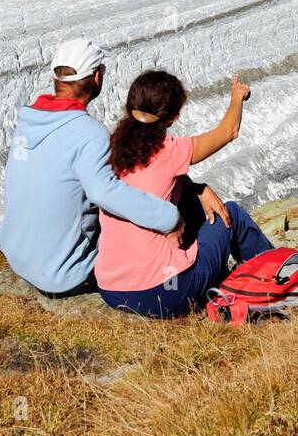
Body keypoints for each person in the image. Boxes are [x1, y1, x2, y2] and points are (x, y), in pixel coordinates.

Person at [0, 37, 182, 297]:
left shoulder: (28, 122)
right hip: (65, 274)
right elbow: (104, 192)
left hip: (17, 255)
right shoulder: (89, 134)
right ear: (97, 78)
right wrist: (169, 218)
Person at [95, 68, 272, 317]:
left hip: (111, 290)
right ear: (173, 118)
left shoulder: (112, 148)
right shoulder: (170, 149)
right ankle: (277, 276)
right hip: (164, 293)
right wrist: (237, 96)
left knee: (184, 196)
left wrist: (196, 188)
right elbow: (228, 131)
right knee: (231, 214)